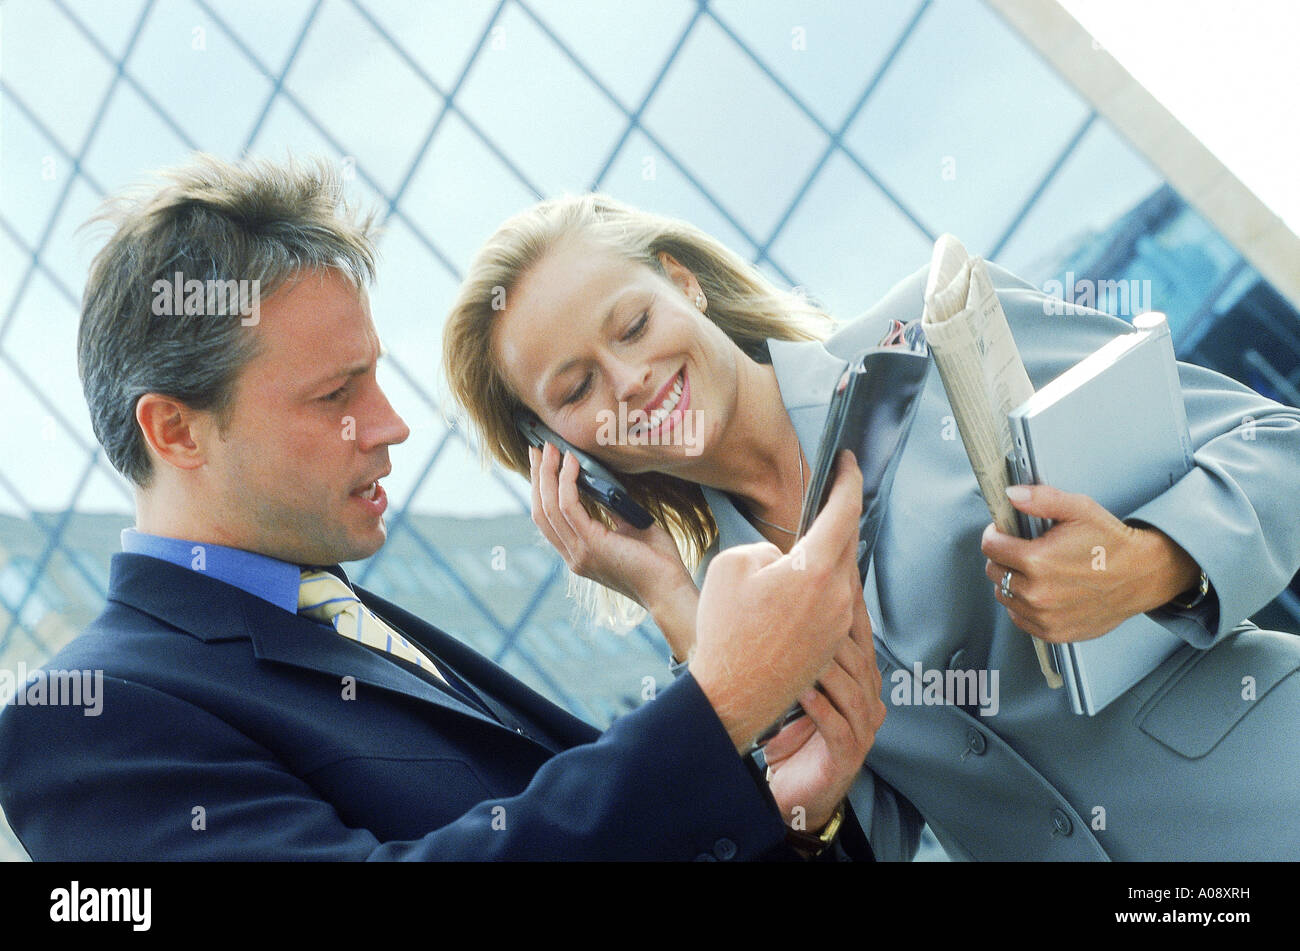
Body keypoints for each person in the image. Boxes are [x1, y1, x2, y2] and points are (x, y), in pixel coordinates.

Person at [0, 155, 887, 862]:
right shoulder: (84, 718)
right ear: (176, 431)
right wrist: (718, 704)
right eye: (335, 394)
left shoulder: (360, 627)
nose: (390, 426)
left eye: (377, 374)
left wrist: (797, 822)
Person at [442, 192, 1300, 860]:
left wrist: (1148, 564)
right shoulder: (730, 617)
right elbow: (859, 833)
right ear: (564, 453)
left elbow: (1277, 443)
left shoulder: (929, 330)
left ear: (682, 281)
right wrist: (674, 598)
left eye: (631, 324)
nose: (627, 381)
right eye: (575, 390)